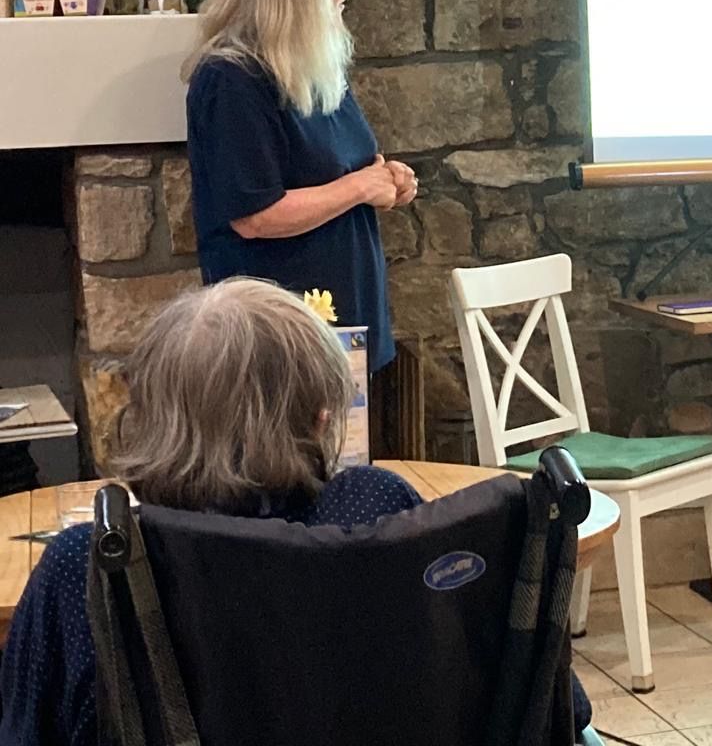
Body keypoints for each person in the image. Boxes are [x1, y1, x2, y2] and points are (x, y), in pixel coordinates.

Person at [0, 280, 426, 745]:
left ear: (146, 419)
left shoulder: (86, 565)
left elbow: (25, 732)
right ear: (319, 420)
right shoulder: (375, 511)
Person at [181, 0, 417, 415]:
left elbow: (345, 165)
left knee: (342, 474)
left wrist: (387, 178)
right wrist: (359, 188)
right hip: (278, 332)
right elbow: (253, 215)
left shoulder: (312, 63)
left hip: (343, 313)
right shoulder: (233, 79)